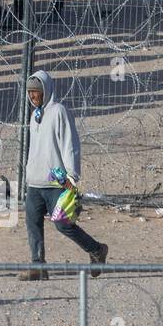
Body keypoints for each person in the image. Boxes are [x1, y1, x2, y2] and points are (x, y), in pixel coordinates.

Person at [18, 71, 108, 281]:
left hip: (56, 182)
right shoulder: (35, 115)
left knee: (63, 224)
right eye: (30, 92)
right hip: (34, 182)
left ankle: (96, 250)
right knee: (33, 224)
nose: (33, 96)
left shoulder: (58, 111)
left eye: (36, 92)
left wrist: (72, 176)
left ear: (45, 91)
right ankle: (38, 265)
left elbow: (70, 144)